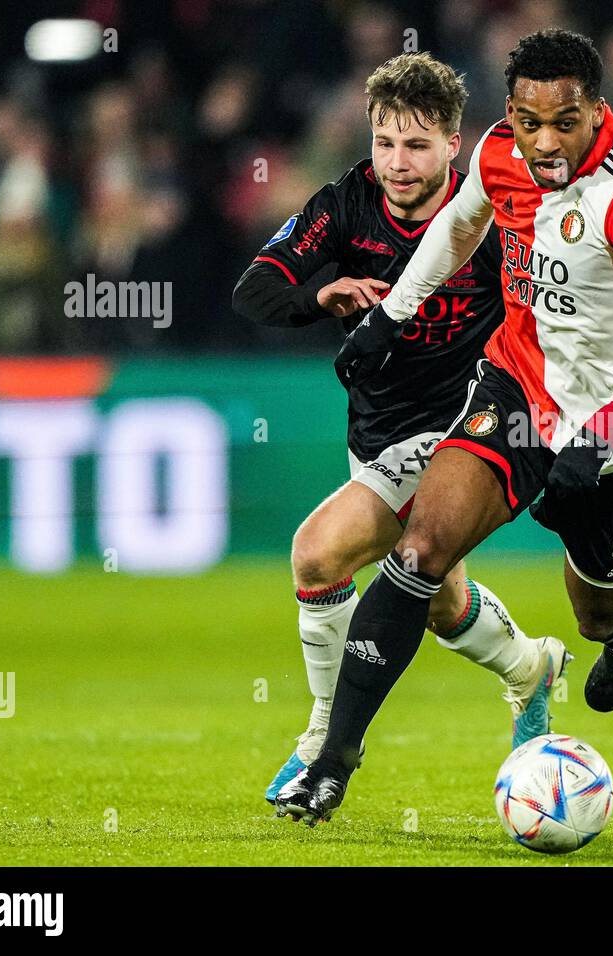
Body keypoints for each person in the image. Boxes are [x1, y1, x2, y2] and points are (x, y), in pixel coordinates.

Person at [276, 30, 613, 826]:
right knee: (417, 555)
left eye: (566, 122)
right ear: (510, 110)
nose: (544, 142)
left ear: (598, 112)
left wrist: (606, 431)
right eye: (527, 119)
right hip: (516, 391)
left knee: (595, 611)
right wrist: (391, 317)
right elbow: (458, 226)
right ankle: (333, 759)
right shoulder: (499, 152)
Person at [232, 53, 572, 803]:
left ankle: (322, 741)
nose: (396, 162)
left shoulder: (487, 217)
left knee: (318, 556)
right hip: (376, 437)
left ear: (454, 145)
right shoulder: (346, 204)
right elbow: (254, 290)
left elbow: (567, 301)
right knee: (439, 600)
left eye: (416, 145)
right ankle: (531, 668)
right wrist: (324, 293)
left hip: (464, 425)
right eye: (384, 141)